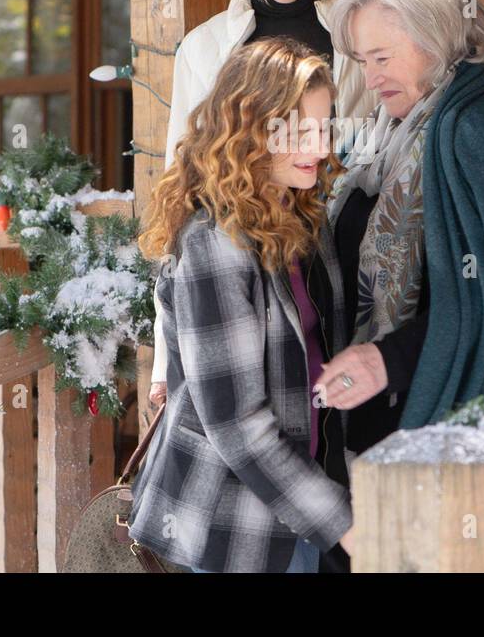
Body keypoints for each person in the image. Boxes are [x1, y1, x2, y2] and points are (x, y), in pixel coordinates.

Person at [93, 0, 375, 413]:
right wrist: (168, 363)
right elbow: (184, 195)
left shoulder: (359, 35)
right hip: (249, 294)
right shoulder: (205, 49)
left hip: (349, 284)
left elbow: (387, 167)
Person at [316, 0, 484, 492]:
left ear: (432, 39)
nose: (371, 77)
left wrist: (388, 360)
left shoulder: (480, 129)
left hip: (438, 427)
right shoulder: (380, 138)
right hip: (365, 426)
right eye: (361, 61)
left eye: (382, 57)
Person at [128, 38, 355, 573]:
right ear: (251, 129)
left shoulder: (301, 220)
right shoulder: (215, 244)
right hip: (236, 533)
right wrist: (344, 525)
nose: (318, 147)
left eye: (323, 127)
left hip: (302, 507)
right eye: (298, 129)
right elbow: (236, 426)